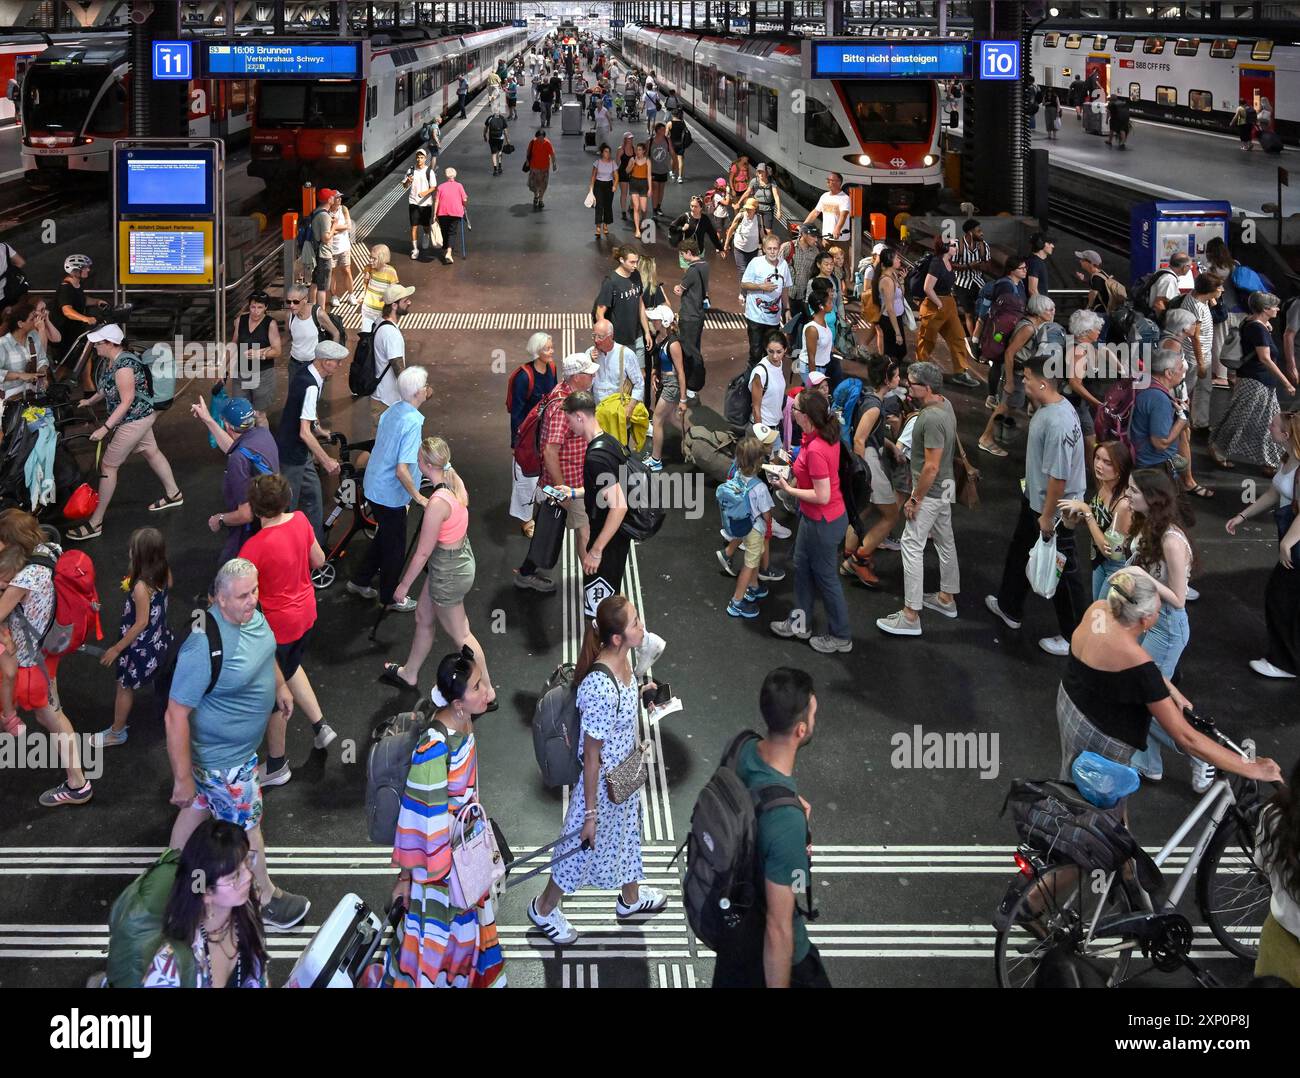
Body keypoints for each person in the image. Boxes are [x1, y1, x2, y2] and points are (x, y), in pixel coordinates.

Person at [164, 558, 310, 931]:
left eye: (255, 591)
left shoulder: (250, 615)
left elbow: (267, 652)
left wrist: (279, 685)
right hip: (223, 762)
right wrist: (182, 778)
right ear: (219, 600)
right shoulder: (202, 645)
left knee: (197, 809)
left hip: (235, 755)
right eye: (244, 595)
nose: (253, 600)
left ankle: (168, 880)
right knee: (248, 827)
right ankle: (264, 895)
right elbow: (175, 714)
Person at [1056, 571, 1280, 795]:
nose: (1159, 612)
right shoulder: (1138, 664)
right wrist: (1252, 768)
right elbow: (1187, 738)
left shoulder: (1098, 610)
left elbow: (1113, 660)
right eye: (1157, 610)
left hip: (1070, 706)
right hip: (1101, 737)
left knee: (1071, 780)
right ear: (1145, 620)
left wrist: (1169, 688)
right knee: (1096, 805)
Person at [527, 595, 668, 945]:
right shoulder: (599, 687)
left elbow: (621, 706)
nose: (642, 626)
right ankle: (543, 908)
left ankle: (631, 899)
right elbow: (591, 757)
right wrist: (589, 813)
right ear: (616, 638)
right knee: (579, 850)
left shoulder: (624, 661)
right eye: (635, 623)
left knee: (627, 838)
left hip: (623, 777)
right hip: (603, 788)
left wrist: (642, 692)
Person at [365, 649, 506, 987]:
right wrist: (407, 878)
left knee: (447, 936)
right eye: (475, 688)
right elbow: (418, 819)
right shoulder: (434, 746)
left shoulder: (462, 720)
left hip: (459, 852)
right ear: (457, 704)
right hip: (441, 870)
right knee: (443, 934)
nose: (485, 692)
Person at [711, 667, 826, 988]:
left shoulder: (743, 747)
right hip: (775, 953)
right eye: (814, 713)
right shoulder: (786, 821)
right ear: (800, 730)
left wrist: (784, 802)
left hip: (734, 928)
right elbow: (778, 929)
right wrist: (789, 822)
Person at [985, 352, 1089, 657]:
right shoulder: (1056, 407)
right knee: (1020, 554)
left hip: (1052, 510)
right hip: (1037, 501)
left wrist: (1046, 517)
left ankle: (1074, 637)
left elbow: (1059, 476)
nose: (1023, 382)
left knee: (1065, 572)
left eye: (1027, 378)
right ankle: (1010, 608)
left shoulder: (1056, 422)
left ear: (1043, 383)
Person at [381, 438, 496, 704]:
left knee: (462, 635)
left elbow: (422, 552)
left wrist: (402, 587)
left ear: (424, 464)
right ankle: (410, 672)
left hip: (447, 573)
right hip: (455, 563)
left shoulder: (437, 503)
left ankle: (487, 690)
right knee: (423, 616)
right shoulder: (455, 483)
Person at [239, 474, 336, 785]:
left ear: (255, 509)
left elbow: (242, 597)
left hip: (277, 628)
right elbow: (319, 560)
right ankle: (321, 726)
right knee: (292, 667)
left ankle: (278, 764)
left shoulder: (252, 549)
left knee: (274, 696)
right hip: (306, 615)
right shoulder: (301, 520)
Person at [0, 530, 92, 806]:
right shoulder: (48, 551)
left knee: (50, 716)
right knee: (52, 715)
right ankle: (78, 781)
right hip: (45, 653)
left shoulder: (23, 579)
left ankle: (78, 783)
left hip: (26, 662)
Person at [66, 325, 183, 542]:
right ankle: (174, 493)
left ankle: (95, 523)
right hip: (139, 416)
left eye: (99, 343)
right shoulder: (113, 360)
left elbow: (126, 400)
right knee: (151, 451)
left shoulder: (124, 366)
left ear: (111, 344)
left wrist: (105, 428)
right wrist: (90, 400)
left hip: (135, 419)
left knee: (109, 465)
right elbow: (106, 387)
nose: (95, 346)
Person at [1122, 468, 1200, 787]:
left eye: (1133, 491)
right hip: (1151, 622)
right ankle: (1148, 762)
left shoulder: (1171, 540)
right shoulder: (1148, 525)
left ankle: (1201, 755)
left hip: (1167, 628)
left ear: (1152, 498)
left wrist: (1144, 578)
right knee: (1147, 695)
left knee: (1149, 699)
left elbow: (1180, 599)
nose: (1127, 495)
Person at [876, 362, 959, 637]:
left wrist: (915, 499)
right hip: (947, 485)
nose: (907, 387)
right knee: (946, 540)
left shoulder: (929, 418)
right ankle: (947, 598)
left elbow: (931, 466)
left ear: (928, 387)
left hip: (932, 490)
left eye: (912, 384)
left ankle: (910, 615)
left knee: (911, 545)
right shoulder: (945, 405)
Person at [767, 391, 851, 653]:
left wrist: (788, 490)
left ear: (805, 416)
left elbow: (822, 494)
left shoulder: (815, 448)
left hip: (823, 522)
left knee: (826, 578)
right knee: (802, 568)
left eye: (796, 409)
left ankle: (841, 636)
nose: (792, 410)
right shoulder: (820, 436)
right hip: (816, 519)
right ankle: (800, 624)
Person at [142, 820, 269, 988]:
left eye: (247, 861)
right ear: (206, 893)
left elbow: (260, 976)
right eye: (234, 876)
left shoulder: (249, 903)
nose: (248, 877)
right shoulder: (169, 966)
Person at [514, 353, 599, 593]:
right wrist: (563, 490)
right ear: (576, 377)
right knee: (586, 534)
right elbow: (550, 451)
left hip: (562, 483)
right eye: (589, 373)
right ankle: (594, 587)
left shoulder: (562, 393)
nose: (593, 375)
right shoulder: (564, 409)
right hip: (568, 483)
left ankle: (526, 573)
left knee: (548, 530)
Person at [349, 366, 432, 609]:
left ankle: (360, 579)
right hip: (390, 495)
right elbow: (401, 469)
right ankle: (390, 597)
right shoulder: (412, 422)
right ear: (418, 392)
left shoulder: (393, 410)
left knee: (385, 536)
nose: (428, 389)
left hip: (374, 485)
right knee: (395, 549)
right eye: (425, 386)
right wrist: (418, 497)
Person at [1227, 411, 1300, 679]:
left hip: (1295, 542)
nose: (1269, 427)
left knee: (1280, 598)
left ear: (1286, 434)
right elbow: (1274, 492)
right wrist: (1243, 515)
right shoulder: (1287, 459)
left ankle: (1285, 663)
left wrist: (1288, 543)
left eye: (1273, 425)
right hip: (1291, 538)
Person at [94, 527, 173, 748]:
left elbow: (141, 622)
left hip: (140, 646)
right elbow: (170, 587)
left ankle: (117, 732)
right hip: (160, 637)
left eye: (132, 549)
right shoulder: (164, 569)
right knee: (161, 676)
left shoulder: (140, 587)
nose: (129, 551)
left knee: (124, 685)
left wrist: (116, 648)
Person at [191, 395, 280, 566]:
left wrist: (220, 518)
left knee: (228, 573)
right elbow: (234, 447)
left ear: (228, 426)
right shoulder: (262, 435)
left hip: (250, 531)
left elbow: (245, 514)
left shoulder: (238, 460)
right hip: (270, 522)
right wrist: (208, 420)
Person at [1212, 292, 1295, 471]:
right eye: (1274, 307)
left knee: (1271, 422)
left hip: (1259, 380)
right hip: (1255, 381)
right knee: (1240, 418)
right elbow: (1265, 358)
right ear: (1265, 309)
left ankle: (1271, 462)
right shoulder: (1257, 329)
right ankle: (1219, 448)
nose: (1278, 309)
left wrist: (1267, 325)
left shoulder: (1251, 322)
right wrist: (1286, 382)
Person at [275, 339, 347, 545]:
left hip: (299, 453)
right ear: (325, 362)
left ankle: (316, 547)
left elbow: (305, 411)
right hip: (293, 454)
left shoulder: (307, 373)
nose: (339, 365)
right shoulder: (311, 385)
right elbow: (304, 434)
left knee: (313, 498)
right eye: (337, 361)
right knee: (288, 506)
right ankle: (284, 549)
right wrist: (326, 461)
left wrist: (318, 427)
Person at [844, 355, 904, 588]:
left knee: (863, 510)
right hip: (869, 464)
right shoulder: (875, 407)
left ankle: (848, 555)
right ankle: (860, 559)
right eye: (897, 375)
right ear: (887, 380)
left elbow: (868, 435)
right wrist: (863, 475)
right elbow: (860, 439)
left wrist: (889, 446)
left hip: (867, 460)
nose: (900, 379)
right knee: (890, 515)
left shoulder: (868, 398)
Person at [977, 294, 1058, 456]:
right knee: (1004, 406)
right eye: (1049, 310)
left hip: (1022, 373)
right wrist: (1010, 381)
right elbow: (1010, 353)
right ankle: (986, 438)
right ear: (1039, 311)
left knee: (1012, 405)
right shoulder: (1028, 328)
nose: (1053, 312)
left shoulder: (1032, 326)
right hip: (1016, 373)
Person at [1060, 439, 1133, 600]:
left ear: (1120, 468)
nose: (1099, 465)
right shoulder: (1105, 484)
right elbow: (1098, 521)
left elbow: (1110, 549)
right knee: (1096, 607)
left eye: (1107, 462)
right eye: (1097, 458)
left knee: (1103, 613)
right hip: (1098, 562)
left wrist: (1086, 511)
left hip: (1116, 567)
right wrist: (1075, 518)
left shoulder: (1123, 504)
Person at [507, 333, 558, 539]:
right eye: (547, 348)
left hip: (545, 431)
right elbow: (517, 413)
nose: (551, 351)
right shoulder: (524, 377)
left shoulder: (552, 369)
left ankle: (540, 501)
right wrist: (515, 443)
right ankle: (526, 518)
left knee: (545, 469)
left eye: (551, 347)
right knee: (525, 478)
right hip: (528, 436)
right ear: (537, 352)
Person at [724, 438, 777, 618]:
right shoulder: (760, 488)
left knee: (755, 555)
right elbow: (767, 515)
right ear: (758, 463)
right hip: (755, 529)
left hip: (744, 525)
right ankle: (737, 601)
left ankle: (753, 586)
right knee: (749, 564)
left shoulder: (737, 475)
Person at [916, 237, 980, 387]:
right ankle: (920, 372)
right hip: (935, 305)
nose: (956, 248)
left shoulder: (948, 263)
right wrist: (939, 304)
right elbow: (927, 287)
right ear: (944, 248)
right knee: (927, 341)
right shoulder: (937, 263)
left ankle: (960, 372)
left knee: (958, 337)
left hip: (948, 304)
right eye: (953, 245)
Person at [224, 291, 281, 427]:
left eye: (260, 307)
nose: (256, 311)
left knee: (259, 416)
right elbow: (233, 343)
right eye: (253, 307)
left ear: (266, 307)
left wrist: (259, 354)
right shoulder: (240, 321)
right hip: (241, 372)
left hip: (262, 374)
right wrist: (223, 368)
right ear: (248, 306)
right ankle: (245, 445)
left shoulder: (270, 324)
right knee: (241, 413)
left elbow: (277, 351)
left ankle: (264, 447)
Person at [1176, 272, 1222, 434]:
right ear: (1210, 290)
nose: (1221, 290)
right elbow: (1195, 337)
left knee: (1203, 388)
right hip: (1195, 357)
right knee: (1185, 389)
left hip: (1201, 355)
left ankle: (1200, 422)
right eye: (1219, 287)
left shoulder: (1195, 298)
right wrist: (1201, 363)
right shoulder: (1196, 306)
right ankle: (1177, 421)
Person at [1129, 347, 1188, 473]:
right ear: (1168, 373)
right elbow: (1160, 443)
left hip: (1139, 459)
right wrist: (1182, 419)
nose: (1183, 371)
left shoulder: (1143, 383)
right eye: (1180, 368)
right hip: (1154, 466)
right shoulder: (1159, 399)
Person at [644, 305, 687, 473]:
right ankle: (691, 436)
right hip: (666, 382)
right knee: (671, 417)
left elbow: (681, 372)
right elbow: (661, 361)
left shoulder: (673, 344)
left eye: (655, 319)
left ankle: (656, 460)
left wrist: (683, 399)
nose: (652, 321)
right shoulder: (661, 339)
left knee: (657, 419)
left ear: (663, 322)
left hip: (672, 385)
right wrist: (656, 372)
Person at [594, 246, 651, 373]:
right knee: (622, 376)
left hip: (637, 335)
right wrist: (605, 338)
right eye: (632, 262)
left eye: (637, 261)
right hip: (620, 340)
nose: (635, 265)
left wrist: (646, 331)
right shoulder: (611, 282)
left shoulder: (636, 275)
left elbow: (640, 304)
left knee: (641, 375)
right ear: (621, 260)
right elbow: (600, 313)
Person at [741, 235, 793, 369]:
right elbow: (744, 284)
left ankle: (767, 381)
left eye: (775, 248)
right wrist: (761, 287)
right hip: (755, 317)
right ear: (764, 249)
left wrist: (786, 309)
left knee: (770, 353)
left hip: (773, 319)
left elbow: (785, 290)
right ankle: (752, 381)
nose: (772, 251)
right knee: (755, 352)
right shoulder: (755, 262)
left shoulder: (783, 265)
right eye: (769, 248)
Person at [370, 284, 415, 433]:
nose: (409, 302)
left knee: (381, 448)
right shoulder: (391, 334)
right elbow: (398, 369)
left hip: (381, 398)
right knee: (386, 452)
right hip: (388, 402)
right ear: (394, 305)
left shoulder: (379, 323)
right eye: (405, 300)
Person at [50, 253, 108, 364]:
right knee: (65, 365)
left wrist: (96, 302)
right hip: (64, 334)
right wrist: (85, 318)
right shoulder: (66, 287)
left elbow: (80, 299)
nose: (88, 270)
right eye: (85, 267)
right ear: (76, 270)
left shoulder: (76, 285)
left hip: (73, 332)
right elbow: (67, 310)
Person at [0, 295, 51, 402]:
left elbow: (42, 359)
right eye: (32, 319)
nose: (36, 320)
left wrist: (42, 375)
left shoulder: (33, 336)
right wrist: (20, 375)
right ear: (20, 324)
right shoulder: (3, 344)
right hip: (8, 400)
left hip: (31, 396)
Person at [953, 218, 995, 340]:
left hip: (979, 282)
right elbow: (950, 265)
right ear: (970, 233)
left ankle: (981, 337)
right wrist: (969, 266)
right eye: (978, 231)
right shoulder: (956, 245)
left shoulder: (984, 245)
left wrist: (982, 266)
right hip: (962, 283)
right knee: (969, 313)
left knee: (984, 312)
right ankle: (973, 340)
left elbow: (988, 265)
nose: (982, 233)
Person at [674, 237, 709, 365]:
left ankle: (690, 376)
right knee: (695, 347)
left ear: (689, 252)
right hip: (699, 314)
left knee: (687, 349)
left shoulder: (692, 270)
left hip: (689, 315)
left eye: (682, 254)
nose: (682, 257)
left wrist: (676, 288)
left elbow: (680, 290)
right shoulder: (705, 265)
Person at [284, 284, 338, 365]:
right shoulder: (289, 316)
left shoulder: (318, 314)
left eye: (295, 302)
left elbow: (336, 333)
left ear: (305, 299)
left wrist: (331, 360)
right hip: (294, 364)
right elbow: (288, 336)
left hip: (315, 364)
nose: (291, 305)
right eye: (288, 302)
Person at [872, 247, 908, 364]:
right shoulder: (887, 280)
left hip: (896, 318)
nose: (899, 261)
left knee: (899, 352)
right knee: (893, 353)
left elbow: (901, 295)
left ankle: (892, 374)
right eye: (897, 258)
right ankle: (889, 375)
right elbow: (890, 308)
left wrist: (902, 281)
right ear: (889, 261)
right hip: (889, 321)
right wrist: (897, 333)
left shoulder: (894, 275)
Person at [305, 189, 336, 310]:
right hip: (323, 254)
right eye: (332, 197)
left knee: (315, 282)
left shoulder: (317, 211)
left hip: (316, 252)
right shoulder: (325, 216)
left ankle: (310, 308)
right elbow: (326, 238)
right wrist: (334, 225)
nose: (333, 198)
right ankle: (320, 314)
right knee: (322, 287)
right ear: (329, 200)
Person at [403, 149, 436, 260]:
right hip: (413, 202)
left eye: (421, 157)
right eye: (418, 157)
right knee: (414, 226)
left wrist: (424, 193)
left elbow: (433, 187)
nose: (419, 159)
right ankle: (415, 249)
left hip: (426, 204)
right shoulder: (411, 170)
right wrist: (408, 181)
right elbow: (405, 186)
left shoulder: (429, 172)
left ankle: (426, 235)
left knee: (426, 226)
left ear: (425, 159)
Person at [432, 167, 467, 266]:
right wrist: (464, 206)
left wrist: (434, 214)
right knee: (452, 232)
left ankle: (445, 249)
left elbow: (437, 201)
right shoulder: (459, 186)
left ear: (446, 175)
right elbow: (464, 199)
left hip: (442, 212)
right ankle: (449, 252)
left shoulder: (441, 187)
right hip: (456, 212)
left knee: (444, 230)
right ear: (455, 175)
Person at [803, 172, 851, 243]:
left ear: (838, 182)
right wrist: (804, 226)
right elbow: (815, 212)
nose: (828, 181)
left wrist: (837, 229)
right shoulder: (824, 196)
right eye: (827, 179)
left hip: (840, 238)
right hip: (826, 237)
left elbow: (843, 215)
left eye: (831, 180)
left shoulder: (845, 198)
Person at [724, 197, 765, 275]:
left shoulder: (759, 218)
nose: (748, 210)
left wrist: (765, 246)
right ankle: (744, 287)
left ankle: (748, 286)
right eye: (747, 208)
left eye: (750, 209)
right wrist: (726, 244)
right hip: (739, 248)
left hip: (753, 249)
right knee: (743, 271)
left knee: (751, 271)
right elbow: (731, 229)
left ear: (755, 209)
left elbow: (761, 232)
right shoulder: (740, 216)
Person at [743, 162, 782, 237]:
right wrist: (740, 202)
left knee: (768, 230)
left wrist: (779, 210)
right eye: (759, 172)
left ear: (766, 172)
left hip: (767, 208)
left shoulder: (772, 182)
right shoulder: (755, 181)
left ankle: (770, 243)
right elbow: (747, 192)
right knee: (755, 226)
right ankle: (759, 242)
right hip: (756, 207)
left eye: (762, 172)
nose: (760, 174)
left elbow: (776, 196)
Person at [328, 194, 354, 304]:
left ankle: (351, 295)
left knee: (347, 270)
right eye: (337, 197)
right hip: (330, 248)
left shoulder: (344, 209)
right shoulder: (326, 212)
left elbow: (349, 226)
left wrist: (333, 228)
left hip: (344, 247)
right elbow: (326, 229)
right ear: (331, 200)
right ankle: (334, 296)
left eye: (340, 197)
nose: (339, 199)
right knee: (331, 272)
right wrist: (336, 228)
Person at [589, 143, 618, 239]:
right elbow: (593, 176)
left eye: (609, 152)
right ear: (602, 153)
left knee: (607, 206)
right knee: (599, 205)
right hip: (599, 185)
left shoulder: (613, 163)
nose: (608, 154)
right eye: (606, 152)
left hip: (609, 185)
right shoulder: (597, 162)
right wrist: (591, 188)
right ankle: (598, 227)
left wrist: (614, 185)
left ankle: (605, 225)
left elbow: (616, 176)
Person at [625, 141, 651, 235]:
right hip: (634, 183)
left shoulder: (647, 161)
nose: (637, 151)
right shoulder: (632, 159)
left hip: (643, 184)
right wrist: (632, 165)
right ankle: (637, 230)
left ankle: (643, 221)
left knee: (643, 208)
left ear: (644, 151)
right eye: (637, 149)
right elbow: (627, 171)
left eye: (639, 150)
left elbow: (648, 176)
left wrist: (650, 189)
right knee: (636, 207)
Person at [648, 122, 673, 216]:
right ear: (658, 131)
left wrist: (674, 163)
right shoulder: (650, 141)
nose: (665, 131)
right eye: (663, 130)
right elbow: (646, 157)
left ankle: (658, 206)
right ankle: (654, 209)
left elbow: (672, 152)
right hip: (653, 170)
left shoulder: (667, 140)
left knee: (661, 190)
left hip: (664, 170)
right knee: (655, 189)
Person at [1025, 232, 1054, 300]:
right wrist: (1042, 307)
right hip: (1038, 308)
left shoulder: (1036, 261)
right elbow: (1032, 290)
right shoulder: (1035, 263)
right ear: (1041, 244)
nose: (1053, 246)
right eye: (1049, 243)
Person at [616, 132, 636, 222]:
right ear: (625, 139)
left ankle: (631, 207)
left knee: (633, 193)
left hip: (633, 173)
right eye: (629, 138)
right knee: (624, 193)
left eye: (631, 138)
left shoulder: (634, 149)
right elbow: (616, 163)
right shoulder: (621, 149)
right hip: (623, 173)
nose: (631, 140)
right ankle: (623, 212)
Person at [484, 110, 510, 176]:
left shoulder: (490, 118)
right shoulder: (502, 118)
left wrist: (484, 135)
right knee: (500, 151)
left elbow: (485, 128)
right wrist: (507, 140)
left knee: (493, 154)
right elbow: (505, 130)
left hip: (492, 138)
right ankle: (500, 167)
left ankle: (495, 170)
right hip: (500, 138)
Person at [667, 109, 690, 183]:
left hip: (672, 144)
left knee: (673, 159)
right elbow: (686, 132)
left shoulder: (669, 123)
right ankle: (680, 177)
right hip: (680, 144)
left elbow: (666, 135)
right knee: (680, 160)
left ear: (672, 115)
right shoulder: (682, 123)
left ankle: (673, 173)